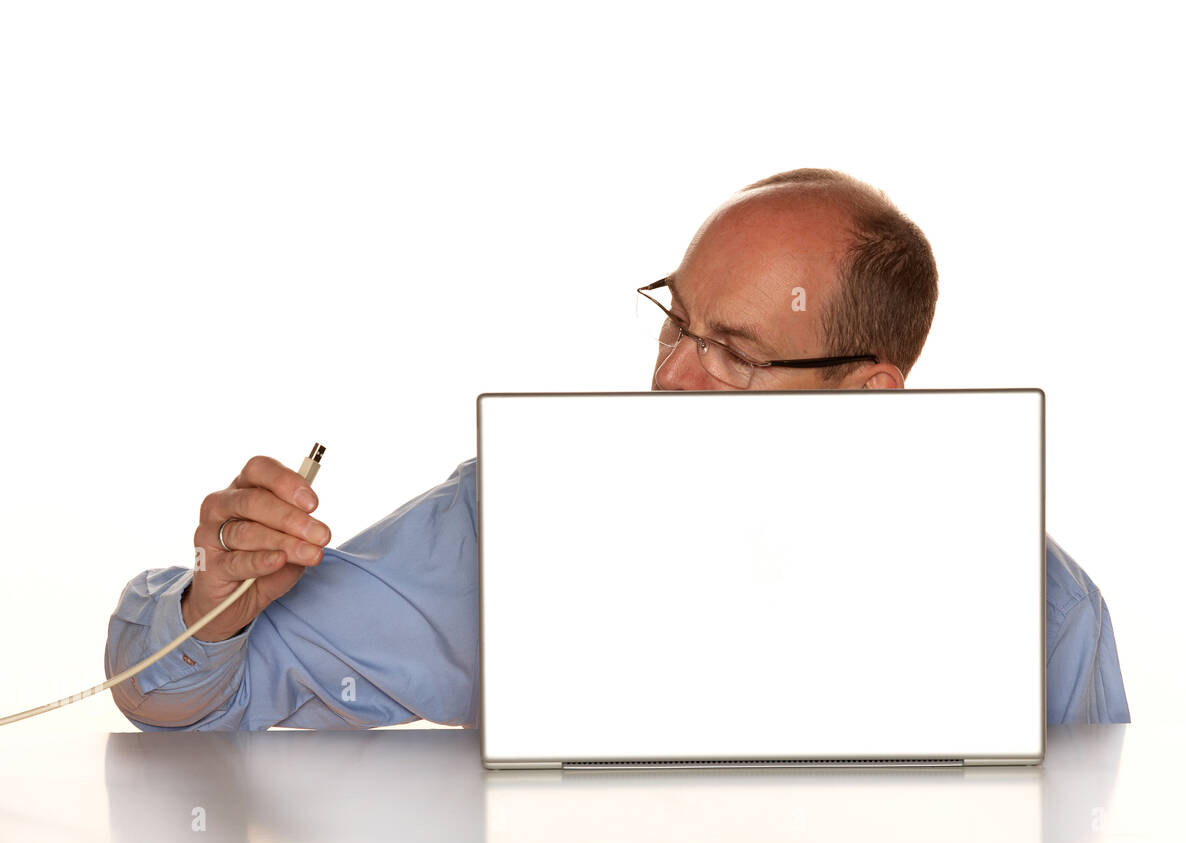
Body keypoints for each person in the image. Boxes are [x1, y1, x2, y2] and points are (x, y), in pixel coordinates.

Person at [105, 168, 1130, 730]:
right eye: (675, 323)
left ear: (865, 395)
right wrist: (216, 604)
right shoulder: (509, 525)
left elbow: (1104, 842)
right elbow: (191, 698)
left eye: (732, 354)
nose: (673, 376)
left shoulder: (1042, 615)